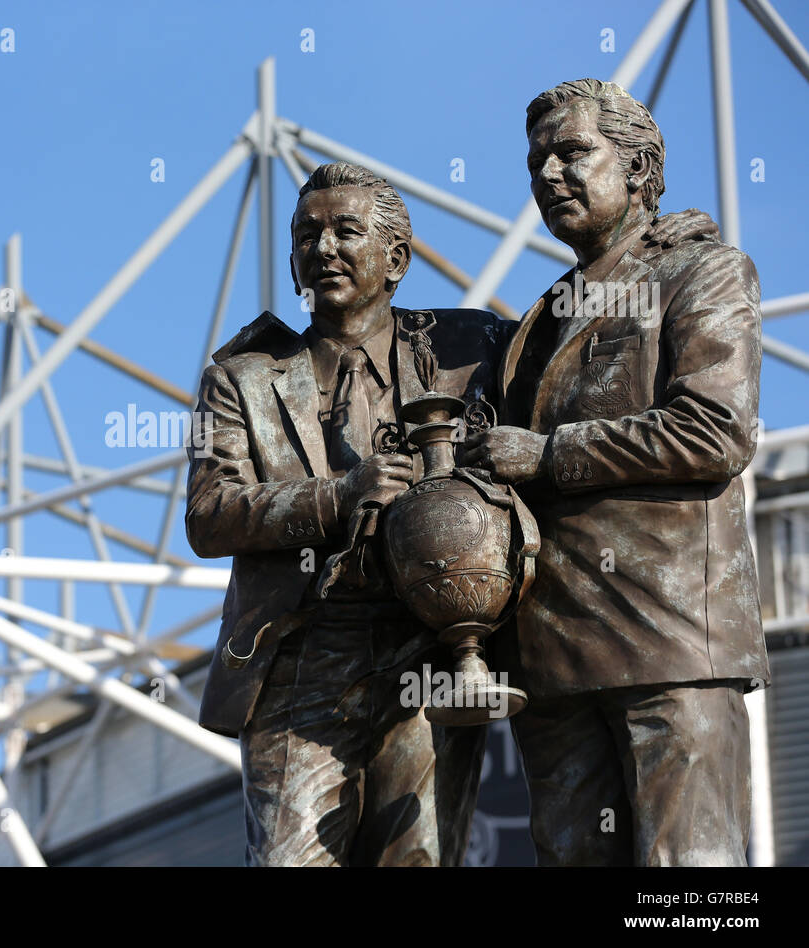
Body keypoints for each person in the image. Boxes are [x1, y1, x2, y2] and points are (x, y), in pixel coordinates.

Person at [461, 78, 769, 866]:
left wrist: (551, 453)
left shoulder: (703, 273)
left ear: (637, 168)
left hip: (669, 641)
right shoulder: (537, 318)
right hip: (553, 653)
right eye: (536, 162)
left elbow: (716, 429)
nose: (549, 175)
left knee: (688, 878)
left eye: (572, 153)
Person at [185, 162, 511, 865]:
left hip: (428, 651)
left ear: (396, 257)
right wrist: (340, 495)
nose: (323, 248)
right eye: (307, 234)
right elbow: (208, 515)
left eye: (345, 231)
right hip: (300, 659)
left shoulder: (469, 350)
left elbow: (580, 348)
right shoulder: (237, 378)